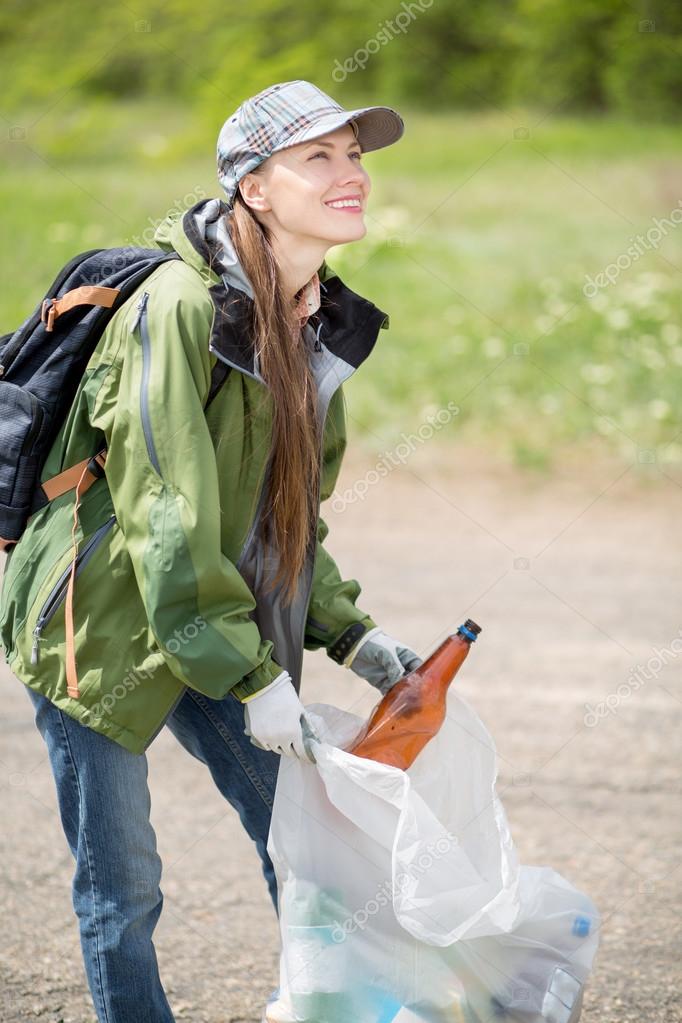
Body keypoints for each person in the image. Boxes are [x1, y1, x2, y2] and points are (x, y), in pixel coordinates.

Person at [0, 79, 422, 1023]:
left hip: (211, 618)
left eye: (354, 155)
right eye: (318, 157)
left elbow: (286, 516)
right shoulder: (181, 309)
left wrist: (351, 635)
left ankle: (332, 1009)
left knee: (306, 844)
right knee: (125, 888)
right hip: (99, 625)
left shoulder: (314, 323)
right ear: (255, 188)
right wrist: (251, 674)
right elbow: (165, 505)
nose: (350, 173)